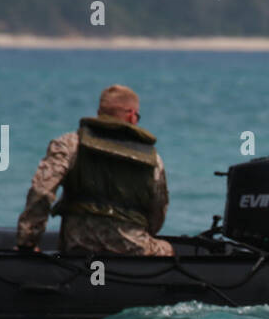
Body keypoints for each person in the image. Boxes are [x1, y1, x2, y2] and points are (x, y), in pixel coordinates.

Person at [15, 84, 172, 256]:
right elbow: (158, 209)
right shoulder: (153, 159)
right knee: (167, 249)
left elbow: (42, 191)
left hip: (77, 243)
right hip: (131, 248)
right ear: (132, 116)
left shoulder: (69, 144)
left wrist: (28, 242)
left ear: (99, 113)